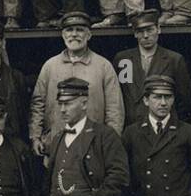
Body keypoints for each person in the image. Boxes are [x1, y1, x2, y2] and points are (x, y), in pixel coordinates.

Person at [28, 11, 123, 154]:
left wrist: (111, 142)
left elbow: (114, 109)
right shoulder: (50, 66)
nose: (74, 34)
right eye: (69, 30)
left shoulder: (103, 66)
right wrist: (35, 137)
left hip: (93, 146)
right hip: (56, 145)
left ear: (89, 35)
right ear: (62, 35)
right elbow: (38, 104)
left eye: (79, 30)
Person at [113, 10, 191, 126]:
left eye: (150, 30)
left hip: (163, 127)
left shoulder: (174, 59)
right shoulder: (123, 60)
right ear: (135, 33)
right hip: (132, 128)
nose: (145, 36)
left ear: (158, 29)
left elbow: (184, 100)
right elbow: (120, 94)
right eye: (140, 31)